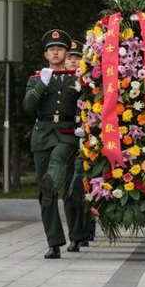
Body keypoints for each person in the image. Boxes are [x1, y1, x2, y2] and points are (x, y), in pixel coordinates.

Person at [23, 29, 80, 259]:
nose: (55, 52)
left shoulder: (76, 80)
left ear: (67, 53)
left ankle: (75, 235)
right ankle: (54, 242)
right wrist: (42, 84)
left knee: (59, 172)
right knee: (45, 194)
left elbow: (86, 103)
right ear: (46, 54)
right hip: (42, 135)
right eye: (51, 49)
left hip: (67, 133)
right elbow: (27, 107)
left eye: (60, 49)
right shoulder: (36, 79)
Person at [62, 39, 92, 250]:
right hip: (64, 138)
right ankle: (77, 232)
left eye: (77, 58)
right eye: (70, 58)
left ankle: (80, 232)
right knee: (68, 189)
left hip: (87, 139)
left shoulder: (89, 82)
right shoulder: (56, 82)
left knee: (79, 185)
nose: (73, 61)